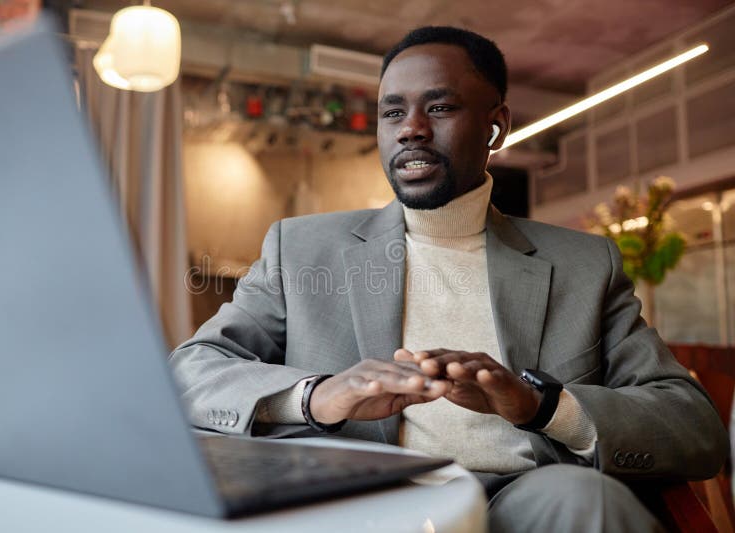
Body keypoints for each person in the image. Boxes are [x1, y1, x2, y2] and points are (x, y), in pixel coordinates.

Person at [170, 26, 727, 531]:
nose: (410, 129)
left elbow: (693, 426)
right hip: (361, 497)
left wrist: (543, 408)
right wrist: (318, 397)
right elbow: (190, 371)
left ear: (497, 126)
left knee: (586, 502)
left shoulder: (585, 264)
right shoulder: (302, 248)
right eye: (393, 113)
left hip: (525, 497)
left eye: (439, 107)